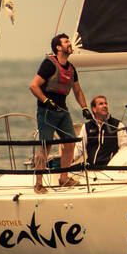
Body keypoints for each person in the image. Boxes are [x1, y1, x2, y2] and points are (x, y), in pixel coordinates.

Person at [28, 33, 89, 192]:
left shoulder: (71, 68)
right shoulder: (49, 64)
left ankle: (64, 177)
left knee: (70, 143)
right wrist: (46, 101)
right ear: (58, 47)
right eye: (66, 42)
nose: (70, 44)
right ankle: (39, 183)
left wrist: (85, 108)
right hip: (47, 111)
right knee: (45, 146)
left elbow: (77, 90)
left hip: (62, 110)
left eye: (69, 41)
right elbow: (34, 86)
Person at [79, 95, 127, 168]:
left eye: (106, 103)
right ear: (94, 109)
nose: (105, 106)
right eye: (101, 104)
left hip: (111, 169)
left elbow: (124, 148)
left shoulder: (117, 125)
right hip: (91, 169)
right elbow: (79, 147)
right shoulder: (86, 127)